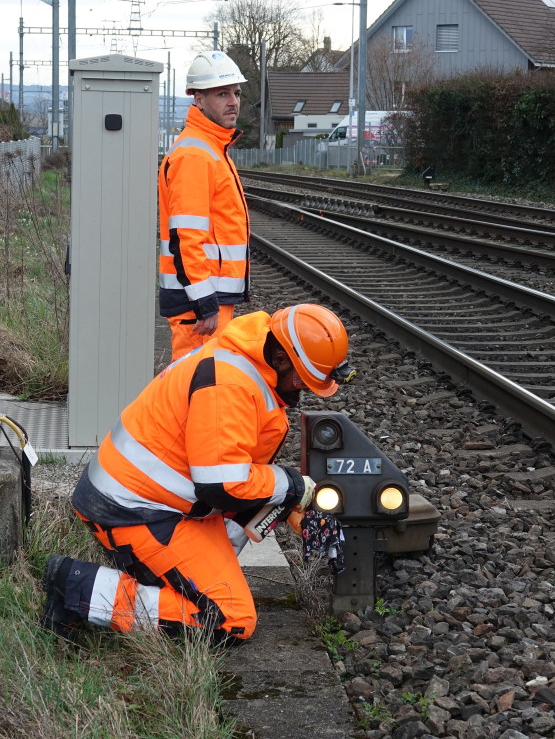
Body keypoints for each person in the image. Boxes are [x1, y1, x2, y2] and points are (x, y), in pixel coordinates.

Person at [40, 304, 355, 642]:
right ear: (280, 359)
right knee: (230, 620)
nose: (302, 390)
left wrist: (298, 512)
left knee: (275, 496)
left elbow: (240, 476)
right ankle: (76, 588)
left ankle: (174, 580)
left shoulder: (248, 365)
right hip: (131, 509)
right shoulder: (231, 386)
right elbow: (223, 485)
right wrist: (291, 485)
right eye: (301, 380)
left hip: (154, 499)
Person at [159, 51, 252, 361]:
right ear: (198, 99)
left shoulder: (211, 149)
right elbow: (186, 235)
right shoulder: (196, 155)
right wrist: (203, 300)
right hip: (199, 305)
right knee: (197, 383)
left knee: (206, 382)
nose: (233, 102)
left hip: (208, 298)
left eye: (236, 93)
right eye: (222, 94)